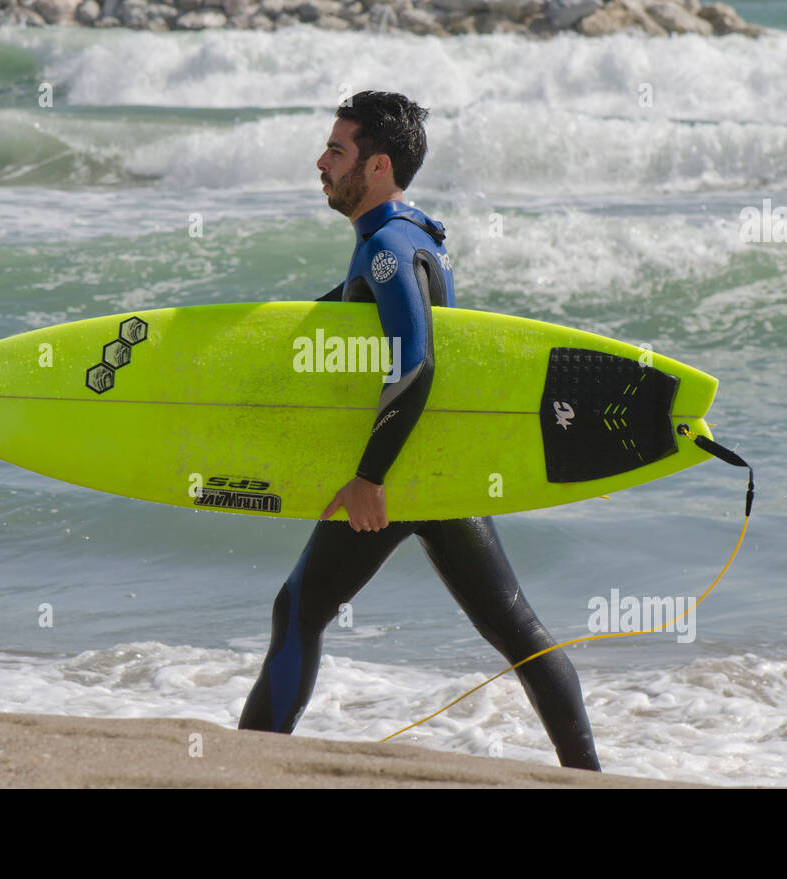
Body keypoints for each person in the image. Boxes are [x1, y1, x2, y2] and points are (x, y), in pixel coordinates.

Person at [237, 91, 601, 770]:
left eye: (336, 151)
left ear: (377, 167)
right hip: (440, 470)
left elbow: (415, 358)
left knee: (298, 609)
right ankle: (588, 774)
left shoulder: (386, 248)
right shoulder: (410, 237)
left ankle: (249, 766)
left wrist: (370, 476)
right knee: (517, 630)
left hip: (398, 470)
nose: (321, 162)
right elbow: (366, 330)